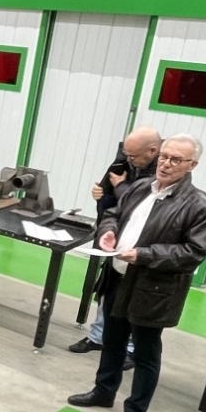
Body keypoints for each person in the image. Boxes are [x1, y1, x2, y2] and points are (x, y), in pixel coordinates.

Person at [68, 135, 206, 412]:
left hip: (153, 290)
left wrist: (144, 255)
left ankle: (134, 411)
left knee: (145, 355)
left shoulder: (202, 206)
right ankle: (103, 392)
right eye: (163, 156)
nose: (166, 164)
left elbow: (193, 253)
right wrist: (108, 232)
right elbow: (113, 214)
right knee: (112, 341)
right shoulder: (140, 187)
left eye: (176, 159)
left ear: (192, 165)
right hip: (118, 278)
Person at [67, 127, 161, 357]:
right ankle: (98, 337)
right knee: (108, 288)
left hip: (144, 241)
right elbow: (111, 201)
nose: (129, 160)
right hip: (116, 235)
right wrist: (101, 196)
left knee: (135, 295)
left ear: (152, 151)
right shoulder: (123, 162)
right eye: (127, 154)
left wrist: (120, 187)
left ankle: (130, 347)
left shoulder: (163, 171)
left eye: (134, 156)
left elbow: (144, 203)